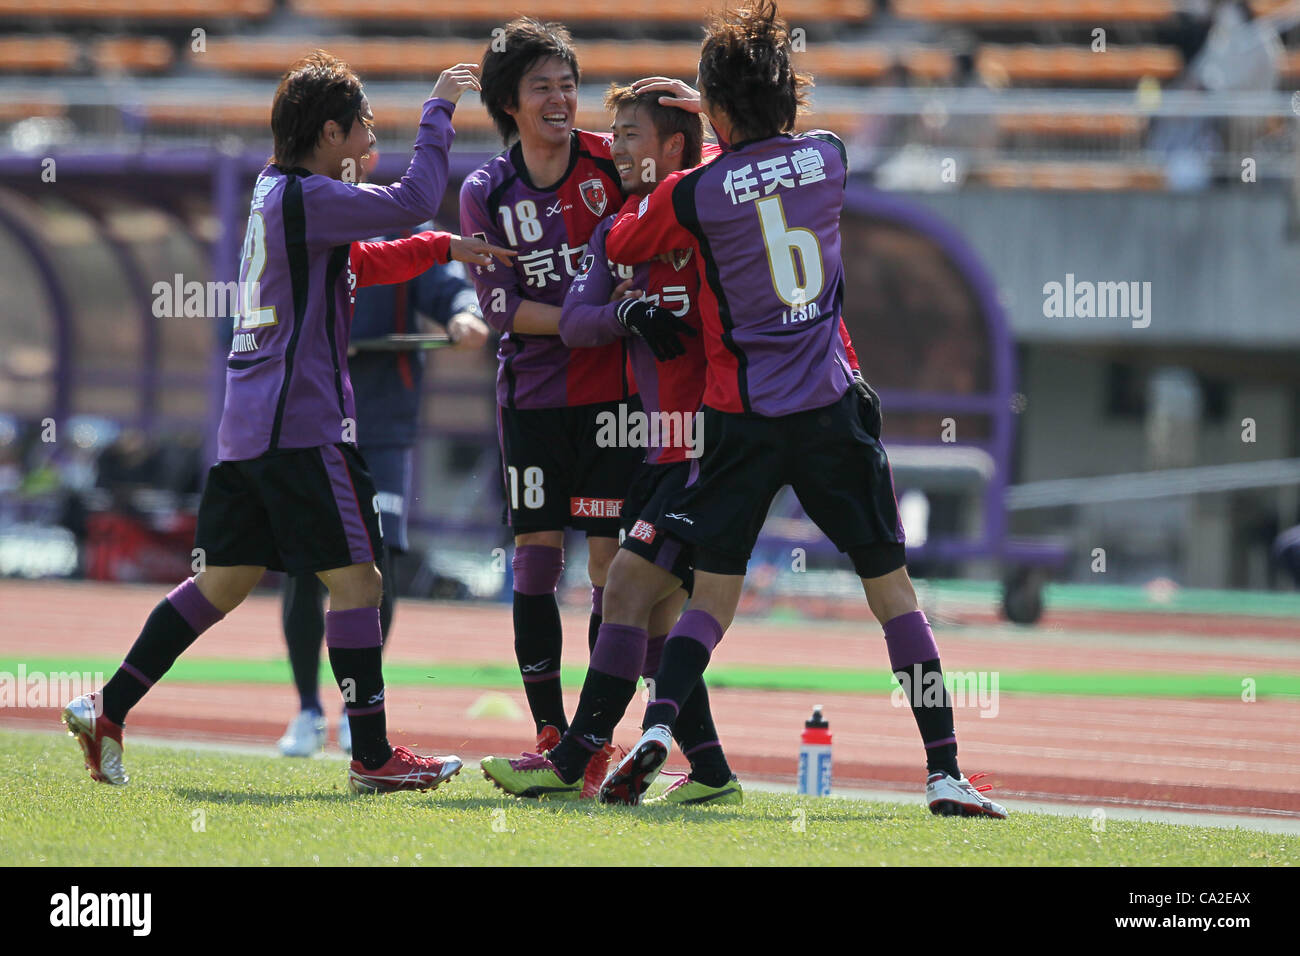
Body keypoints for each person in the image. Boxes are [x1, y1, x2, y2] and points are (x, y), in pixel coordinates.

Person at [61, 52, 513, 794]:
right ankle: (371, 756)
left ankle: (106, 707)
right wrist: (437, 111)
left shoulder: (280, 193)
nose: (370, 134)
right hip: (301, 427)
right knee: (361, 581)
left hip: (248, 431)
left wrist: (439, 247)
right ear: (330, 130)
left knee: (222, 584)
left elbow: (364, 260)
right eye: (362, 124)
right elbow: (414, 197)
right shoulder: (306, 196)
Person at [597, 2, 1007, 818]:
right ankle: (944, 771)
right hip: (830, 412)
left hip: (742, 423)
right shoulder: (830, 156)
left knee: (711, 598)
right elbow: (778, 161)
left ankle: (658, 723)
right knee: (893, 594)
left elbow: (620, 243)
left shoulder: (694, 192)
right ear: (790, 98)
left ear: (713, 110)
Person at [479, 85, 743, 804]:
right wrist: (626, 311)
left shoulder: (713, 205)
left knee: (626, 584)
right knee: (654, 610)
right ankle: (713, 773)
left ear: (674, 148)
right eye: (616, 134)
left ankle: (573, 756)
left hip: (713, 444)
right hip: (661, 449)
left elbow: (738, 156)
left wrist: (704, 107)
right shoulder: (616, 229)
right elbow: (574, 322)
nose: (615, 149)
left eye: (629, 135)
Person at [459, 18, 642, 795]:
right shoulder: (485, 192)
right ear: (510, 101)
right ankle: (548, 729)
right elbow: (504, 311)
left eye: (569, 84)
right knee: (536, 560)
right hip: (531, 398)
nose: (562, 99)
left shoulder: (611, 160)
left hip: (614, 401)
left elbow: (683, 184)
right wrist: (596, 318)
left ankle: (596, 739)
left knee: (609, 566)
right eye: (543, 87)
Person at [278, 150, 490, 758]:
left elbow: (449, 287)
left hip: (383, 427)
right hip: (310, 421)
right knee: (302, 569)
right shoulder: (302, 223)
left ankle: (355, 708)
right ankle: (305, 709)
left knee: (381, 564)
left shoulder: (401, 231)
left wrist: (464, 316)